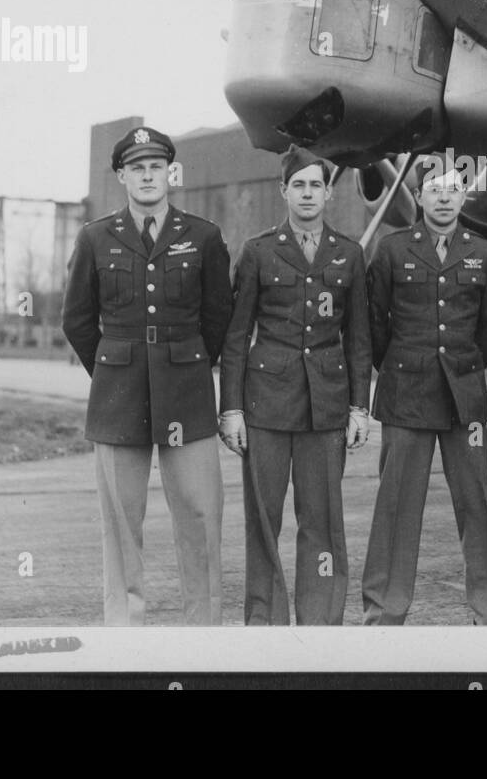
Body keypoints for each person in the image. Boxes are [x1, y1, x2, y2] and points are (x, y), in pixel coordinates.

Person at [62, 125, 233, 626]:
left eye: (156, 167)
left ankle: (202, 629)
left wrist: (189, 362)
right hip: (119, 396)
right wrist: (114, 367)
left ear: (170, 173)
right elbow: (76, 319)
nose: (147, 176)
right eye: (137, 168)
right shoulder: (95, 237)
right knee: (120, 521)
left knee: (201, 516)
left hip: (187, 394)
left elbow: (218, 316)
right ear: (121, 176)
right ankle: (125, 631)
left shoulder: (202, 236)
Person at [218, 145, 371, 625]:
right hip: (266, 407)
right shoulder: (258, 251)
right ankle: (265, 623)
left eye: (316, 186)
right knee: (264, 521)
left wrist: (359, 408)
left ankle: (320, 623)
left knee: (322, 521)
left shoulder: (349, 254)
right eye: (298, 185)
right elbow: (236, 337)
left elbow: (359, 339)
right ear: (283, 191)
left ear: (329, 193)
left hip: (326, 408)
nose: (308, 194)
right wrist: (232, 410)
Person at [361, 156, 487, 625]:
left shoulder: (485, 253)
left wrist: (463, 367)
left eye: (453, 189)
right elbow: (375, 324)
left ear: (464, 196)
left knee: (478, 503)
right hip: (406, 393)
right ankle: (385, 609)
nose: (444, 198)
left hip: (463, 397)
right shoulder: (391, 250)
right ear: (420, 196)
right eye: (434, 190)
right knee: (396, 506)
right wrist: (405, 366)